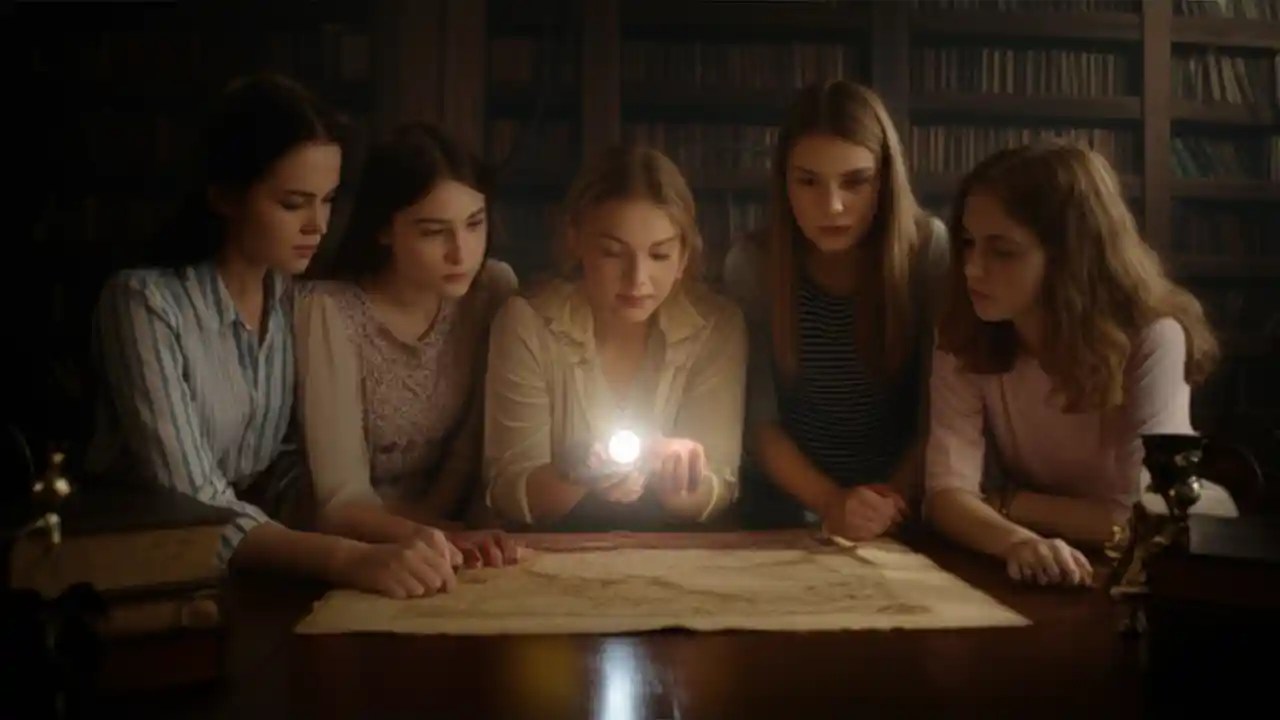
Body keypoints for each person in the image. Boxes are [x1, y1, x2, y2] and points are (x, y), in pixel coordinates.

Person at [85, 74, 464, 599]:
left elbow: (286, 470)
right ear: (225, 196)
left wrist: (410, 534)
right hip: (139, 577)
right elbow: (192, 501)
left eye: (328, 200)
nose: (318, 225)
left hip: (249, 572)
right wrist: (349, 558)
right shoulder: (144, 304)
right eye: (293, 204)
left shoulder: (292, 300)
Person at [923, 140, 1228, 588]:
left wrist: (1008, 502)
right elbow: (945, 496)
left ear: (1070, 256)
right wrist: (1016, 541)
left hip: (1171, 556)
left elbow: (1142, 513)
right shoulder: (964, 332)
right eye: (967, 243)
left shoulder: (1151, 337)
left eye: (1002, 251)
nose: (971, 268)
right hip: (1049, 554)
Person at [722, 79, 949, 540]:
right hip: (784, 505)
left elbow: (942, 409)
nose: (832, 205)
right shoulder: (754, 263)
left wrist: (884, 502)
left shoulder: (927, 250)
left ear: (884, 181)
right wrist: (832, 503)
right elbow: (758, 422)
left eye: (856, 182)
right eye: (808, 181)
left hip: (905, 502)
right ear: (783, 181)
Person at [484, 145, 747, 530]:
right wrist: (578, 474)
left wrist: (677, 477)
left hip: (678, 555)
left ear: (684, 256)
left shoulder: (716, 327)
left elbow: (719, 488)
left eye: (659, 256)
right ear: (576, 240)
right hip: (551, 554)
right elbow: (508, 491)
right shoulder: (528, 323)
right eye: (613, 253)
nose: (636, 279)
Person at [295, 122, 519, 566]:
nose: (462, 252)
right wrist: (433, 534)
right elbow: (340, 499)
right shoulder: (328, 311)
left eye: (474, 224)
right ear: (384, 230)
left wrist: (454, 530)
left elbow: (473, 444)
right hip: (356, 541)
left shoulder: (491, 289)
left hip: (455, 532)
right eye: (434, 232)